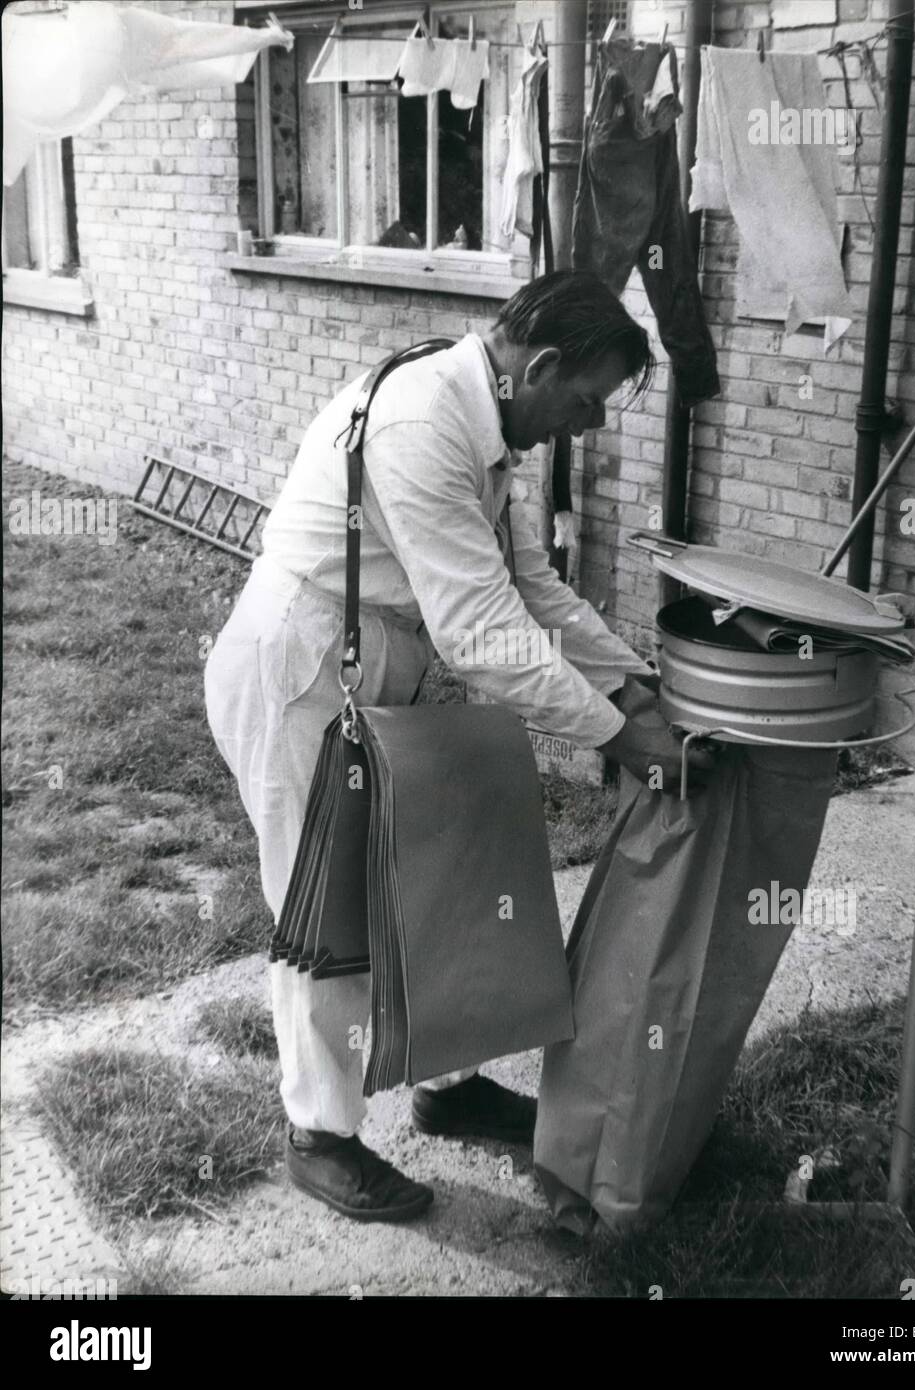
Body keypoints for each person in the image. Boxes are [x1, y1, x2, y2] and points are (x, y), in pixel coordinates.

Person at [204, 270, 712, 1224]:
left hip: (372, 658)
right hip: (297, 666)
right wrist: (623, 738)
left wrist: (630, 679)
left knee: (442, 879)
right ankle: (320, 1135)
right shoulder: (424, 427)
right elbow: (480, 632)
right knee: (326, 907)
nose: (589, 424)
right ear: (542, 365)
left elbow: (532, 592)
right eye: (586, 400)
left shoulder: (484, 422)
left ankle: (450, 1085)